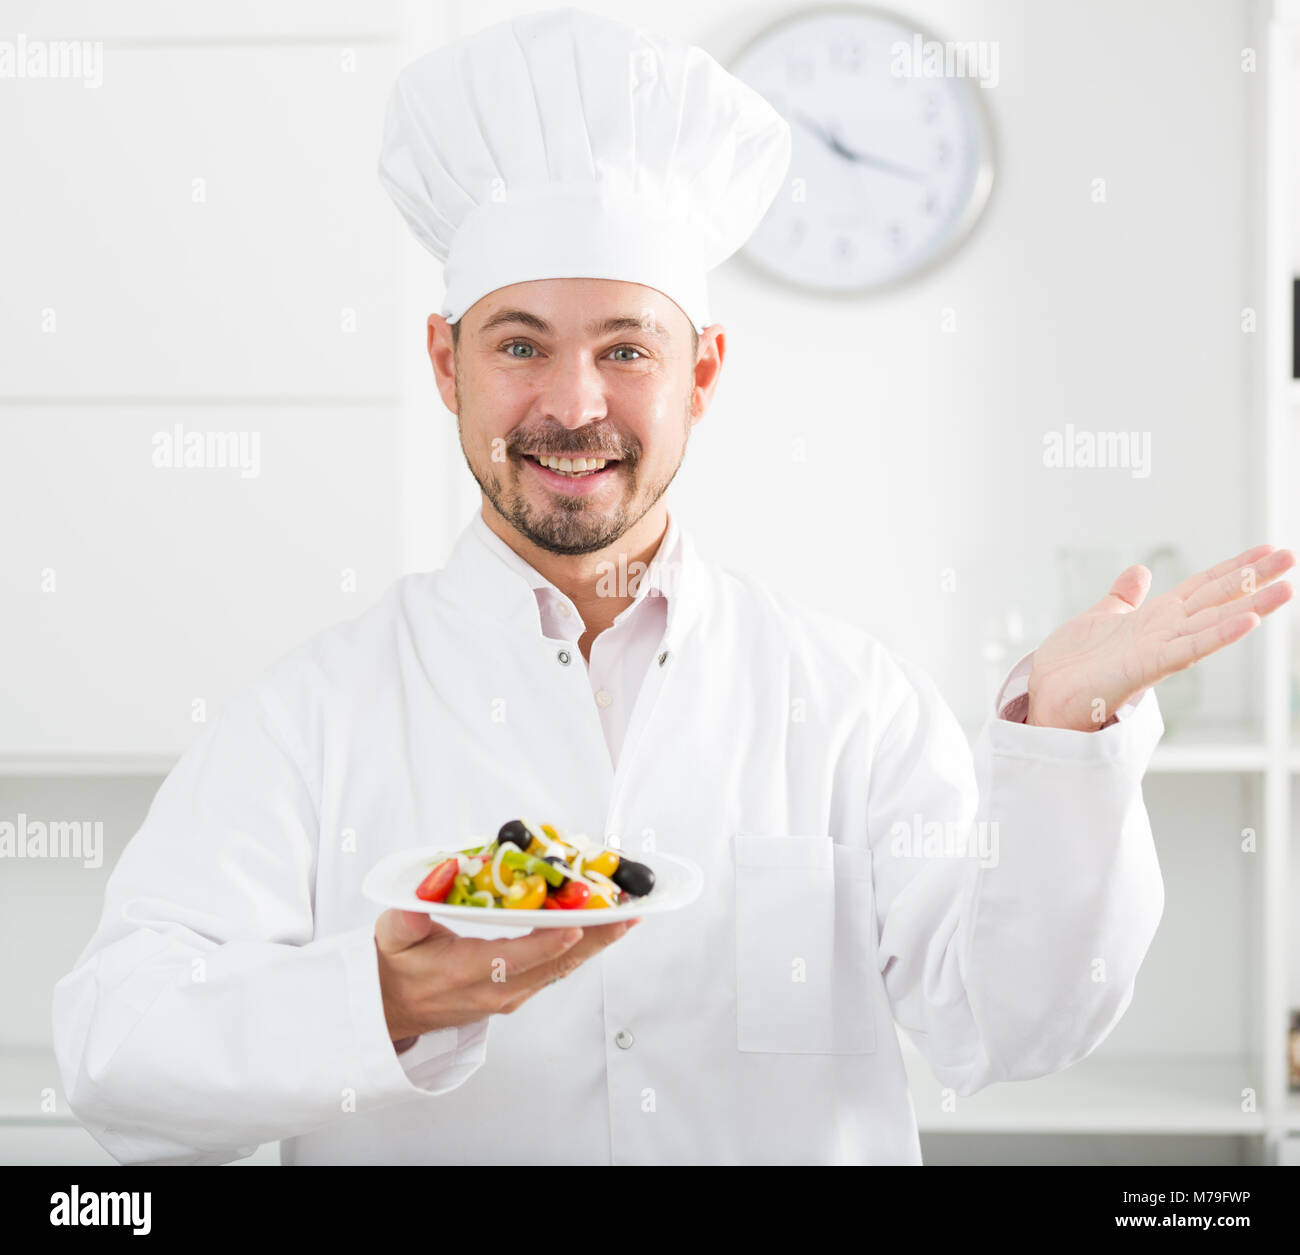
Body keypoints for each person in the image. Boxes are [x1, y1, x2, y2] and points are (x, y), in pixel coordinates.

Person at [52, 6, 1294, 1166]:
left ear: (701, 370)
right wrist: (375, 998)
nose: (573, 406)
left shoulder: (846, 700)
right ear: (446, 364)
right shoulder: (314, 711)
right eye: (519, 343)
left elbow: (1013, 1027)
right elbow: (111, 1046)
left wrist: (1061, 745)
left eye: (625, 349)